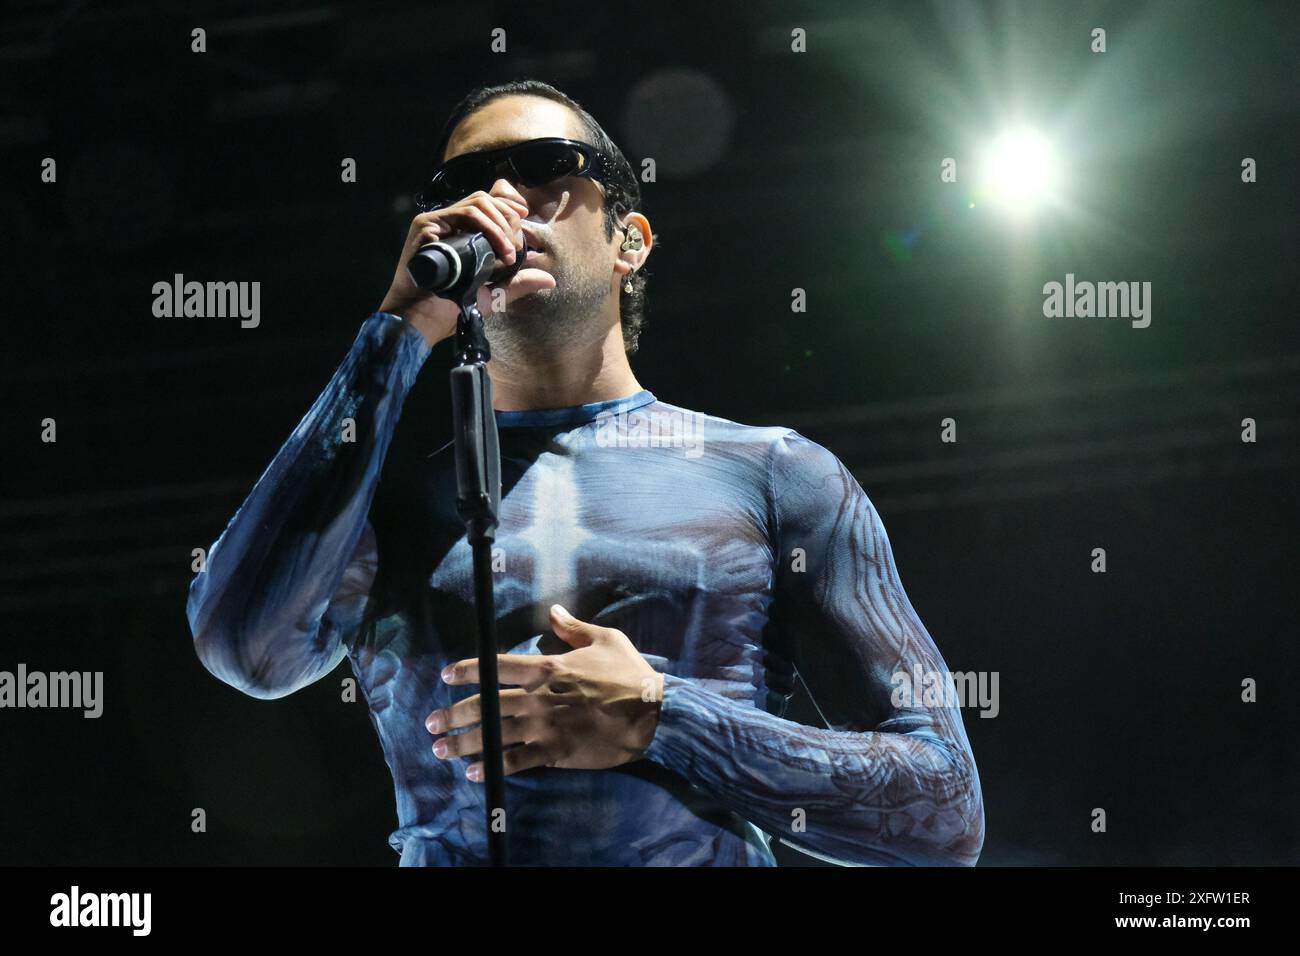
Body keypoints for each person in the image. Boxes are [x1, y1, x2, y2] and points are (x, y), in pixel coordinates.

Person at [185, 79, 985, 866]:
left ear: (628, 241)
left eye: (545, 165)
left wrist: (662, 714)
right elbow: (243, 649)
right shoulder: (382, 500)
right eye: (462, 183)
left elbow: (945, 810)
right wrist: (398, 327)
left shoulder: (777, 474)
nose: (500, 194)